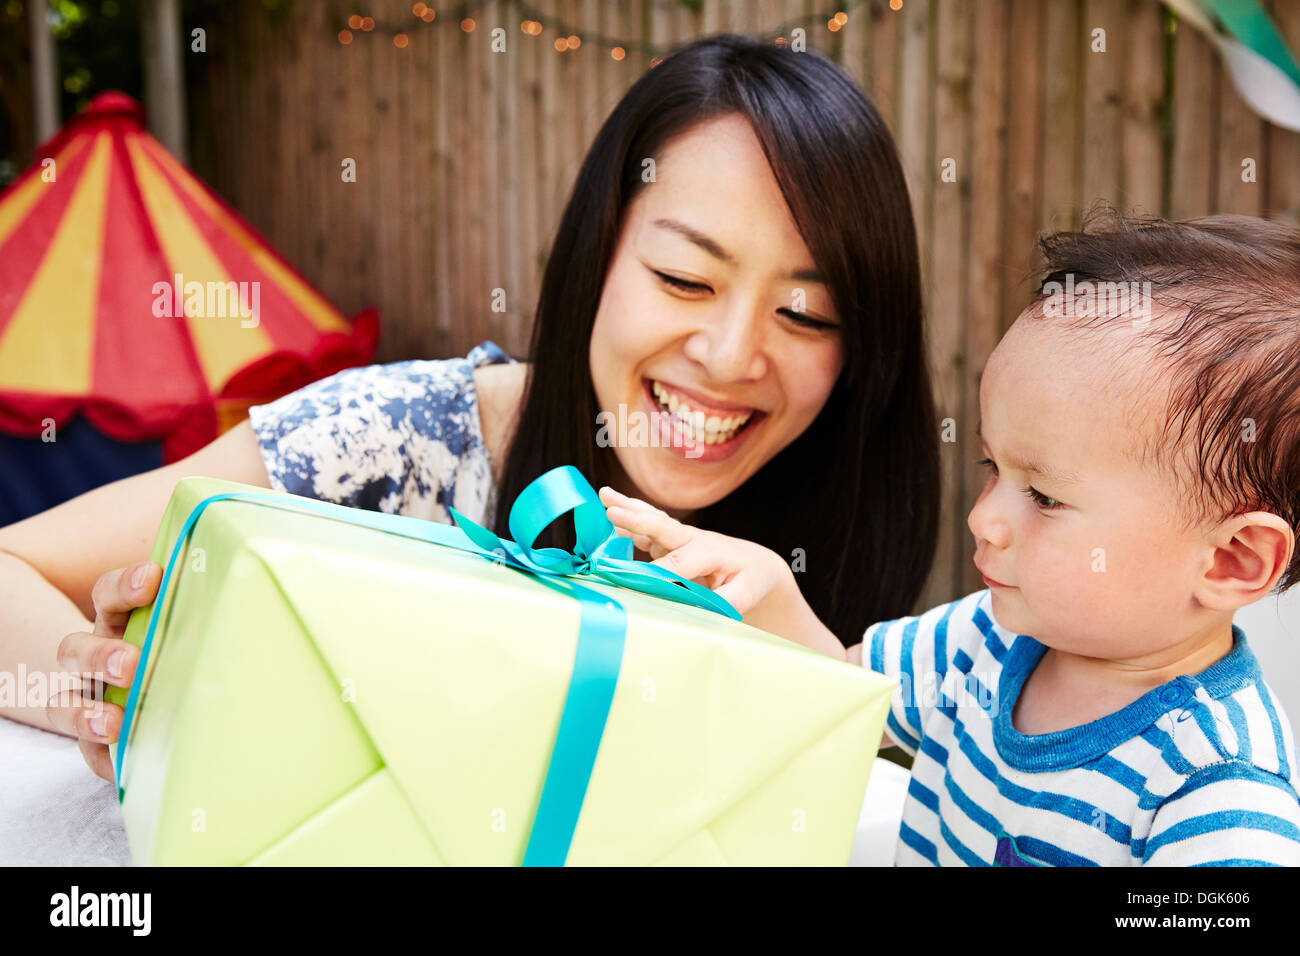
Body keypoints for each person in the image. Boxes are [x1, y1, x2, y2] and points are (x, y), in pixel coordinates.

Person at [0, 34, 940, 783]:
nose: (732, 357)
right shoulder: (392, 441)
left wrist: (828, 680)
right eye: (684, 277)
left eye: (805, 313)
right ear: (595, 258)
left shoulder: (835, 513)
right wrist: (102, 683)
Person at [601, 212, 1300, 866]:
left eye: (1046, 496)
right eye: (993, 468)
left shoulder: (1219, 790)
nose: (984, 517)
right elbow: (847, 704)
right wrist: (770, 591)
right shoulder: (983, 639)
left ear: (1234, 559)